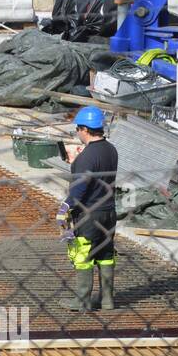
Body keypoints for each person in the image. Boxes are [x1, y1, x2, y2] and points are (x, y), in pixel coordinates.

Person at [58, 106, 119, 310]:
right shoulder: (111, 150)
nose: (77, 133)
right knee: (105, 254)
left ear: (84, 129)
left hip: (89, 215)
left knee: (83, 256)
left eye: (78, 129)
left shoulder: (86, 157)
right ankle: (107, 299)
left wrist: (65, 208)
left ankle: (83, 300)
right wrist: (76, 164)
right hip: (109, 213)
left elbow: (80, 188)